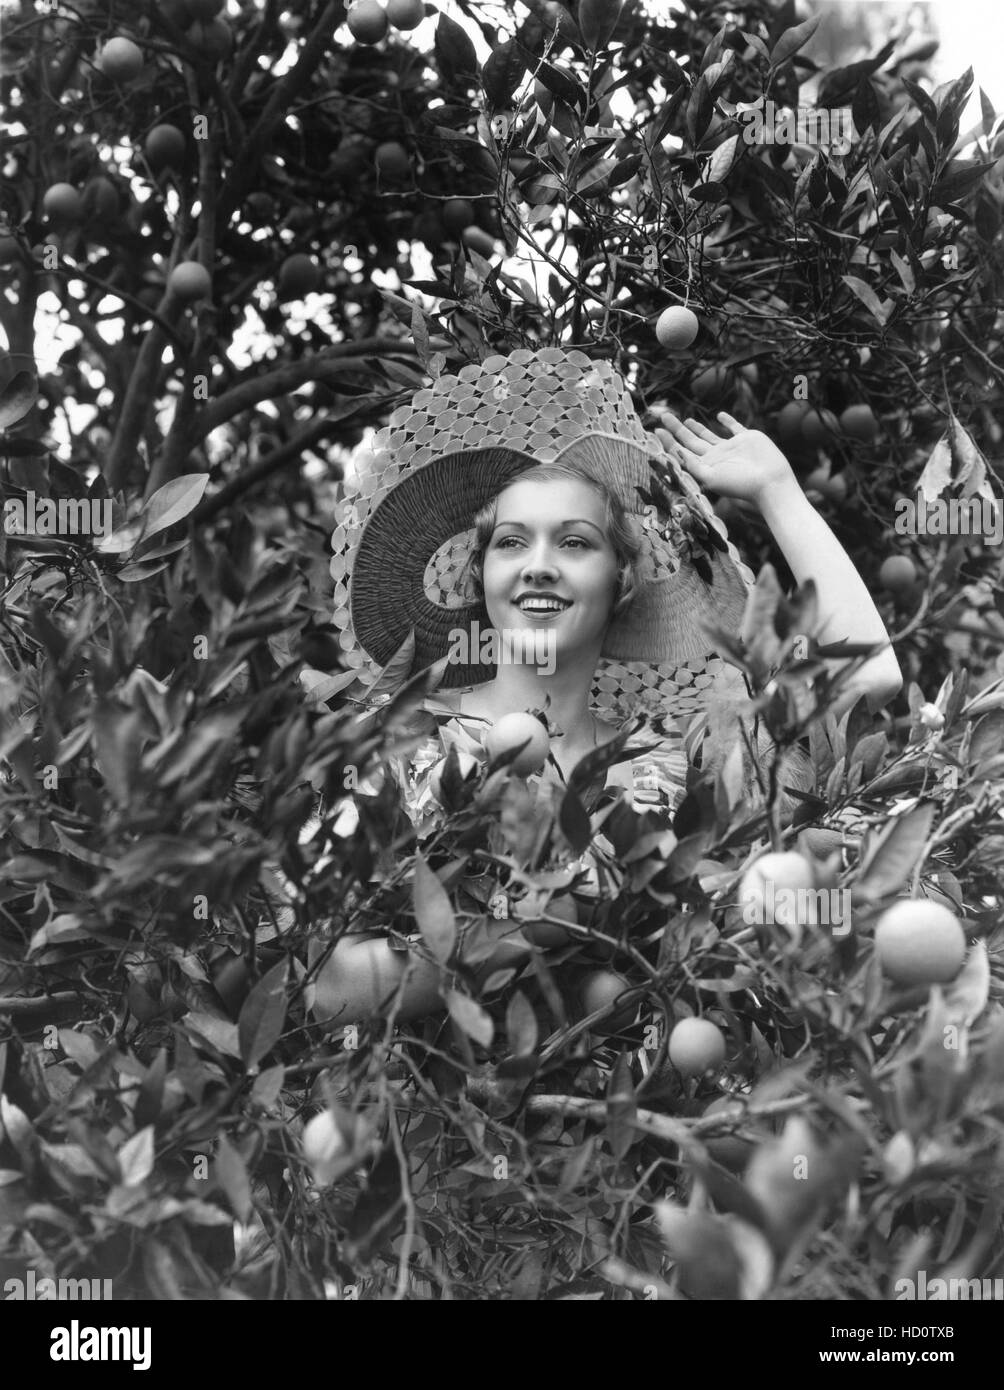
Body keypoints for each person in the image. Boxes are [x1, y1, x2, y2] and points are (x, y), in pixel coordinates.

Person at [311, 348, 902, 1026]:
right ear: (478, 579)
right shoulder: (403, 744)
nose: (538, 567)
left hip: (649, 1116)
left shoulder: (672, 761)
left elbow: (870, 679)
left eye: (574, 544)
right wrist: (543, 922)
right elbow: (326, 986)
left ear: (621, 581)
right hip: (451, 1122)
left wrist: (779, 493)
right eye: (511, 543)